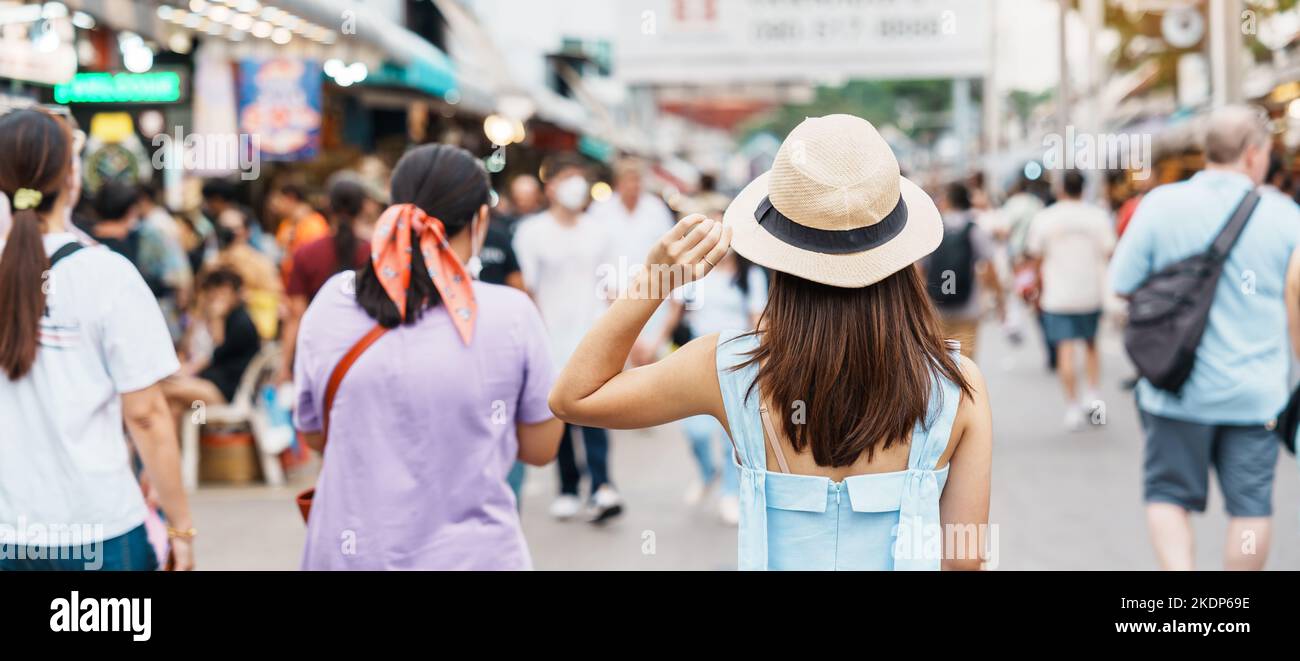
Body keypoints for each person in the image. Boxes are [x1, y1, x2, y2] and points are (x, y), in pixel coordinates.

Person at [550, 114, 992, 570]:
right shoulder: (958, 388)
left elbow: (574, 398)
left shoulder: (729, 367)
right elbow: (963, 561)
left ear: (777, 251)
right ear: (900, 253)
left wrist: (654, 280)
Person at [293, 144, 563, 570]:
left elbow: (315, 435)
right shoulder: (512, 314)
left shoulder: (333, 300)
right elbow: (540, 447)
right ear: (480, 221)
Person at [0, 108, 194, 570]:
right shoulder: (105, 275)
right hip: (100, 533)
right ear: (72, 179)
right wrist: (180, 526)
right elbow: (146, 415)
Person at [1110, 105, 1300, 571]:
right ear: (1254, 153)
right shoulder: (1285, 215)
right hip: (1256, 395)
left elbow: (1121, 283)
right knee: (1251, 509)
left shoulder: (1161, 204)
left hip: (1175, 388)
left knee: (1167, 496)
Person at [513, 154, 624, 524]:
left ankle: (603, 486)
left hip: (593, 336)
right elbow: (525, 288)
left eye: (582, 179)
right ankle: (567, 488)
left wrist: (624, 333)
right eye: (570, 178)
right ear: (552, 186)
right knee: (559, 412)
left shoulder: (599, 230)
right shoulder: (531, 232)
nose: (577, 186)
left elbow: (612, 285)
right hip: (549, 337)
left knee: (595, 411)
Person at [651, 238, 767, 526]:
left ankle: (730, 493)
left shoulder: (749, 275)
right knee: (696, 431)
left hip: (737, 363)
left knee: (733, 436)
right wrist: (655, 343)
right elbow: (674, 313)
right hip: (697, 360)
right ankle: (707, 472)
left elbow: (758, 321)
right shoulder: (694, 275)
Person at [1024, 170, 1116, 430]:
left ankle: (1073, 408)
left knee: (1065, 350)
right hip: (1091, 293)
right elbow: (1109, 252)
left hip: (1058, 295)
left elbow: (1035, 257)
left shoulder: (1045, 218)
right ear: (1084, 189)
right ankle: (1093, 399)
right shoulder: (1097, 217)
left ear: (1061, 189)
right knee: (1091, 346)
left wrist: (1036, 289)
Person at [277, 178, 377, 383]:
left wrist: (285, 366)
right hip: (364, 356)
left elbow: (297, 317)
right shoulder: (374, 252)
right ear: (363, 207)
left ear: (327, 206)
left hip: (317, 357)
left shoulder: (305, 254)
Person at [588, 157, 677, 366]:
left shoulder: (656, 211)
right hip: (609, 307)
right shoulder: (600, 212)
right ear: (618, 183)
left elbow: (668, 258)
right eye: (628, 180)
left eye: (637, 180)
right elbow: (596, 266)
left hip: (652, 306)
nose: (633, 186)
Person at [161, 268, 261, 418]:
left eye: (222, 292)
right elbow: (187, 348)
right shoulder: (216, 317)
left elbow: (214, 352)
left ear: (235, 293)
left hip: (227, 394)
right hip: (208, 387)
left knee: (166, 390)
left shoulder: (240, 322)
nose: (216, 297)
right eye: (213, 291)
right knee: (175, 407)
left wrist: (216, 318)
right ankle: (186, 440)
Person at [923, 181, 1003, 358]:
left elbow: (920, 268)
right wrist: (1000, 300)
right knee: (966, 364)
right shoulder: (973, 230)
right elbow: (989, 267)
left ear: (947, 201)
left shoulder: (934, 229)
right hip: (968, 307)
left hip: (937, 307)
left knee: (941, 362)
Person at [269, 184, 330, 285]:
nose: (274, 205)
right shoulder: (285, 224)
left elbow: (315, 262)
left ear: (290, 198)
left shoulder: (314, 224)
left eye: (278, 199)